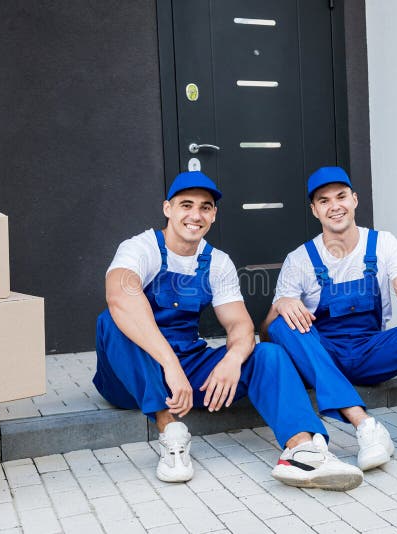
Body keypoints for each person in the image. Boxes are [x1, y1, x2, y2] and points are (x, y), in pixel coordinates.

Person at [94, 170, 362, 490]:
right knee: (111, 320)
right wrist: (169, 364)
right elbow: (119, 296)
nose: (196, 215)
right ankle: (171, 432)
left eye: (205, 207)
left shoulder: (217, 262)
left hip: (187, 371)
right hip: (128, 377)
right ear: (168, 208)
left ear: (214, 215)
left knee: (268, 354)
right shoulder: (140, 248)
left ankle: (302, 450)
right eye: (186, 205)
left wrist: (233, 359)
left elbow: (240, 325)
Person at [261, 166, 397, 470]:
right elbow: (267, 333)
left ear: (355, 199)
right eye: (324, 201)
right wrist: (281, 303)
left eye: (341, 196)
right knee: (282, 324)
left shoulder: (383, 244)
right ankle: (366, 427)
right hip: (325, 357)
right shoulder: (299, 260)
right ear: (314, 210)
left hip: (373, 351)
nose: (335, 206)